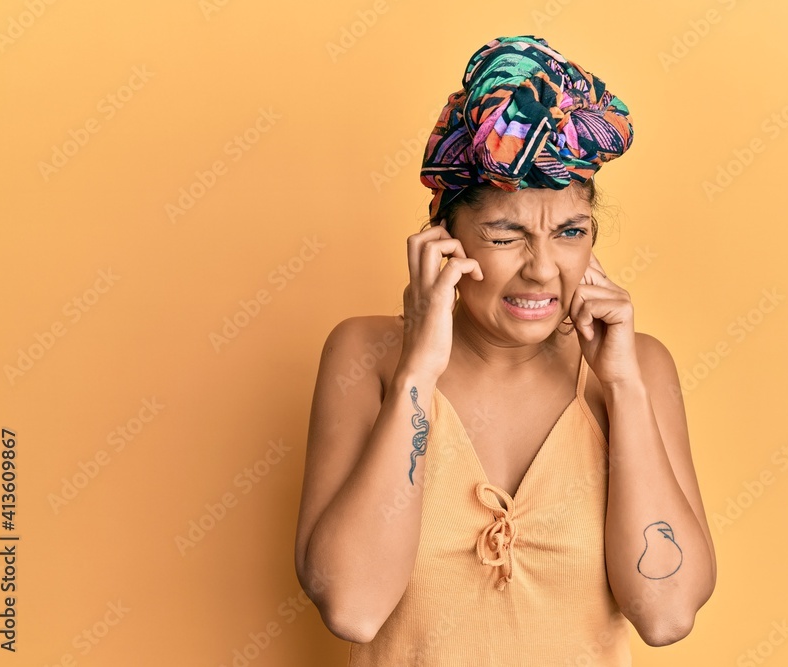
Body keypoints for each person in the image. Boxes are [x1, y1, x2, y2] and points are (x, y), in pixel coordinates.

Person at [294, 35, 717, 665]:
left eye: (570, 233)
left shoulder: (639, 367)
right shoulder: (366, 356)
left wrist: (624, 387)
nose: (543, 269)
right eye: (505, 234)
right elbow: (353, 608)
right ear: (444, 237)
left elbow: (666, 613)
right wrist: (418, 369)